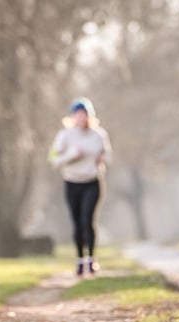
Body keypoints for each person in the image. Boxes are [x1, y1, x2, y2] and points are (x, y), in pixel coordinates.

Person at [48, 97, 112, 277]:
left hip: (92, 181)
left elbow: (108, 156)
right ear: (72, 117)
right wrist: (71, 155)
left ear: (90, 117)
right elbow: (53, 160)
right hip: (72, 183)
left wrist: (103, 159)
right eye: (77, 115)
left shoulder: (99, 135)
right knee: (76, 222)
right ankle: (79, 261)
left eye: (84, 115)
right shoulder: (64, 136)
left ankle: (91, 261)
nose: (81, 118)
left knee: (88, 220)